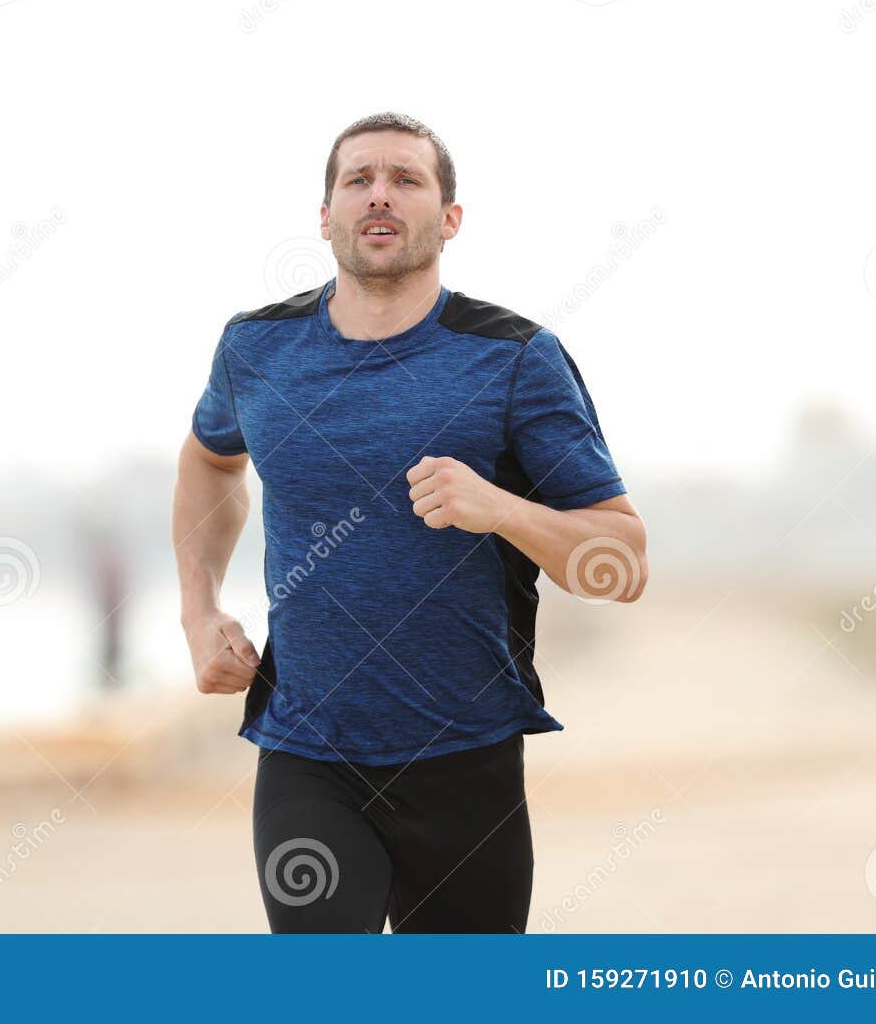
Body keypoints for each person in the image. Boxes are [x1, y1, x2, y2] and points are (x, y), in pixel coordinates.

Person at [171, 111, 649, 933]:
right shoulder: (256, 348)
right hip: (307, 751)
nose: (379, 196)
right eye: (357, 180)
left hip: (466, 755)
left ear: (450, 217)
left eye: (406, 179)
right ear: (325, 217)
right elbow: (212, 462)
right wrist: (198, 606)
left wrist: (497, 506)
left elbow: (624, 561)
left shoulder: (514, 356)